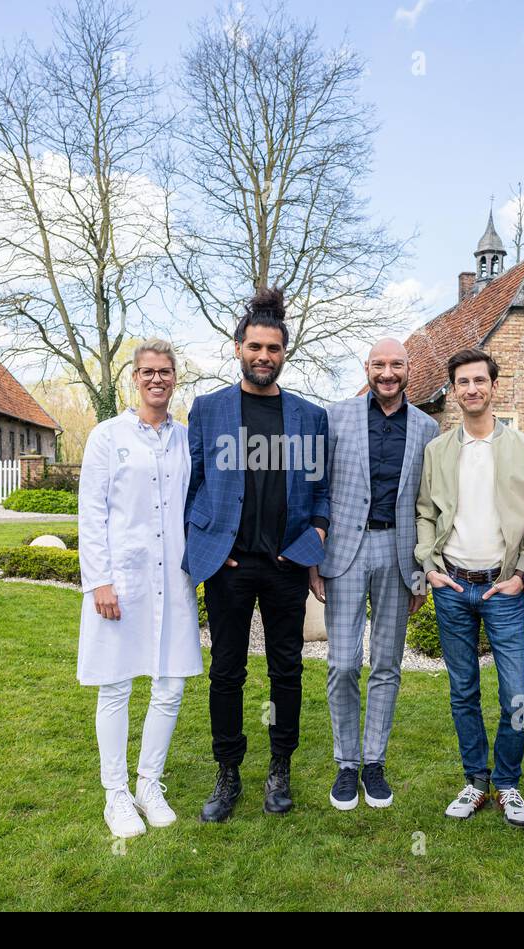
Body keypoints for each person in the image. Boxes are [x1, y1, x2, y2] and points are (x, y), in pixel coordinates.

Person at [183, 287, 330, 822]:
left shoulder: (309, 418)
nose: (262, 356)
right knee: (226, 673)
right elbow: (191, 486)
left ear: (284, 353)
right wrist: (208, 547)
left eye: (272, 348)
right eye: (254, 346)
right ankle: (227, 774)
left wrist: (310, 545)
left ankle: (279, 769)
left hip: (286, 565)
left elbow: (320, 493)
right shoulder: (208, 410)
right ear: (238, 347)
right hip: (230, 566)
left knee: (285, 671)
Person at [414, 347, 524, 827]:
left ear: (494, 386)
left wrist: (521, 575)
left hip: (502, 589)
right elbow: (426, 512)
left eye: (479, 381)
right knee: (463, 690)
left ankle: (507, 783)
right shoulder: (438, 450)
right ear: (453, 390)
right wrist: (429, 567)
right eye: (462, 382)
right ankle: (475, 782)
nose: (471, 389)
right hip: (452, 586)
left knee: (518, 693)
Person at [77, 340, 203, 839]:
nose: (157, 379)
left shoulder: (187, 440)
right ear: (135, 378)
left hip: (171, 576)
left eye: (165, 372)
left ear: (175, 378)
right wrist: (100, 580)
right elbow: (92, 512)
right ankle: (116, 795)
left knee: (170, 683)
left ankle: (149, 782)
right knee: (116, 683)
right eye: (148, 372)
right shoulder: (108, 437)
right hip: (121, 579)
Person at [311, 337, 438, 810]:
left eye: (397, 365)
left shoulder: (427, 428)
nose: (388, 373)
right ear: (366, 368)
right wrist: (312, 557)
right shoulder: (334, 417)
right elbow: (315, 488)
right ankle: (346, 763)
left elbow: (430, 505)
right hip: (344, 549)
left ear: (409, 369)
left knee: (387, 664)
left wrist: (423, 569)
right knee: (343, 663)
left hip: (399, 552)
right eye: (379, 364)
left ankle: (374, 761)